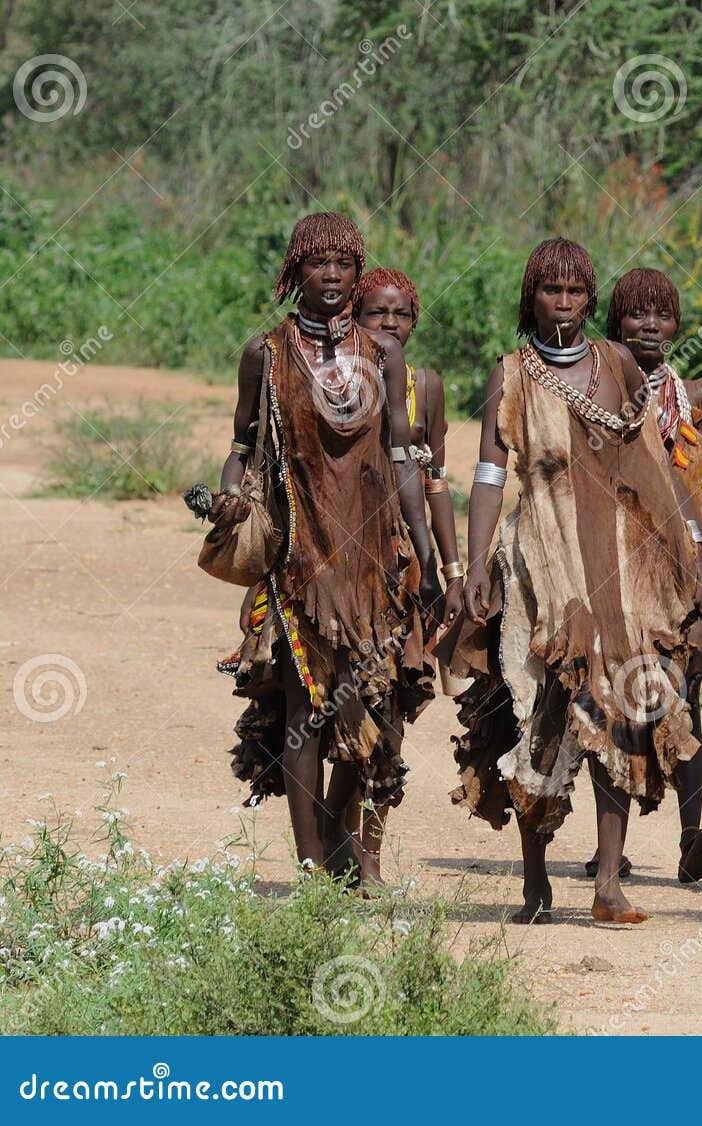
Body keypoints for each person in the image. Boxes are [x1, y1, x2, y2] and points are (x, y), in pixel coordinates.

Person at [447, 238, 702, 924]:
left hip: (615, 562)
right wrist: (476, 566)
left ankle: (608, 884)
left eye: (574, 292)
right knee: (541, 712)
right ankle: (535, 884)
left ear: (592, 300)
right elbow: (490, 476)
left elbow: (649, 462)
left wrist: (684, 551)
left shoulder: (617, 364)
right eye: (549, 290)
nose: (563, 302)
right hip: (540, 557)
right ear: (529, 297)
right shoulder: (511, 376)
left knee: (615, 709)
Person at [212, 212, 440, 876]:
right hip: (297, 557)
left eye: (344, 263)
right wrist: (230, 499)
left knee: (375, 701)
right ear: (295, 272)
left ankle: (346, 850)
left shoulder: (383, 355)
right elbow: (240, 449)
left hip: (371, 559)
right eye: (318, 264)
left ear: (357, 272)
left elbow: (402, 459)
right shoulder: (267, 353)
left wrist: (425, 555)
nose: (332, 275)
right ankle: (312, 866)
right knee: (304, 709)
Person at [600, 266, 702, 883]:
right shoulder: (597, 389)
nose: (651, 325)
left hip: (687, 572)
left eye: (663, 314)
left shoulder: (697, 396)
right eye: (636, 314)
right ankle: (612, 850)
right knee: (619, 703)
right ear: (615, 322)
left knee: (687, 692)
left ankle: (690, 839)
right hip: (621, 571)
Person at [344, 265, 465, 884]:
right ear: (352, 319)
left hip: (403, 568)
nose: (389, 325)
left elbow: (434, 479)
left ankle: (368, 855)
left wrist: (450, 568)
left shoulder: (426, 386)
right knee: (332, 704)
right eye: (376, 314)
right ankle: (333, 853)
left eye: (401, 315)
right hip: (338, 565)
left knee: (388, 707)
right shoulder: (331, 380)